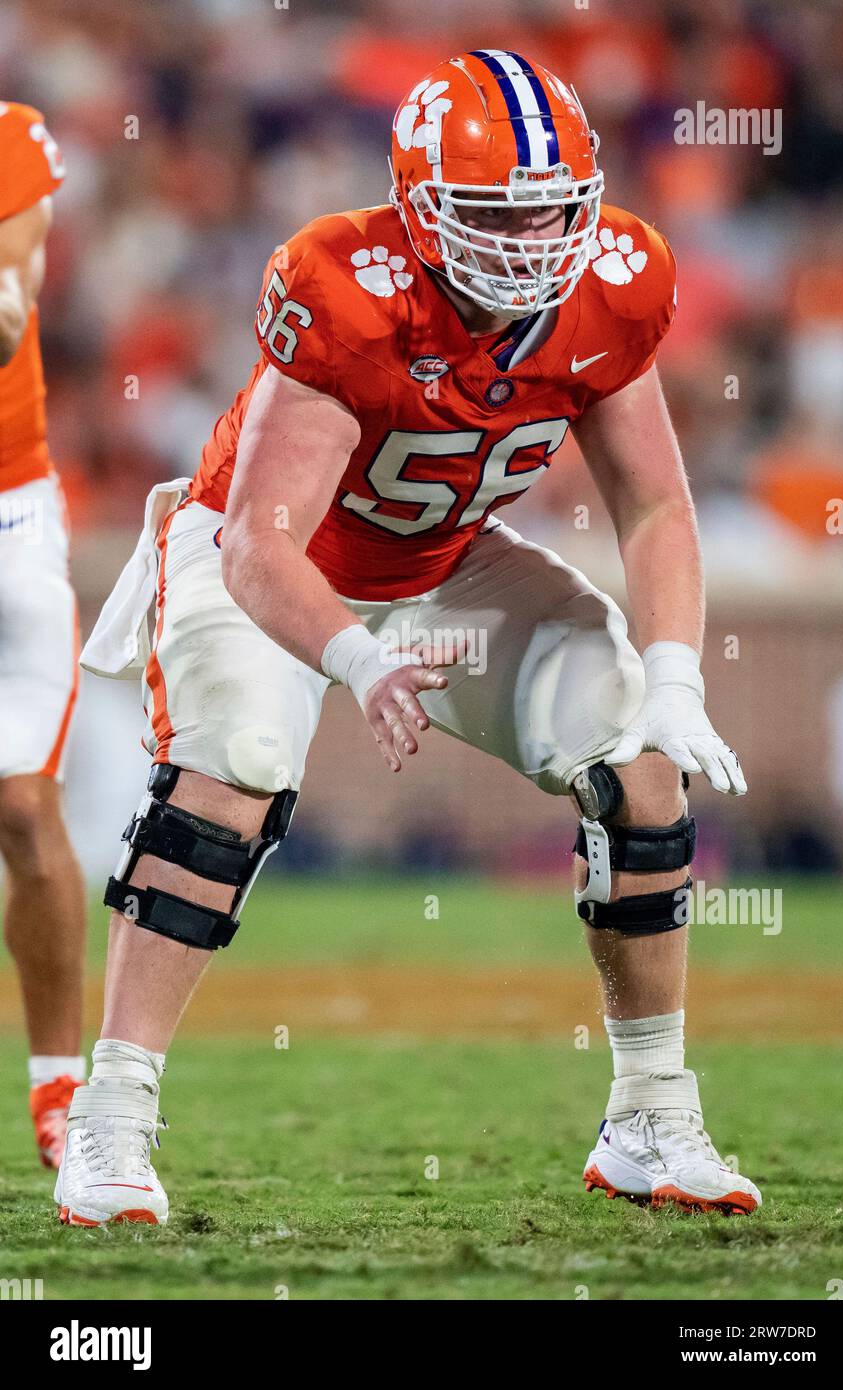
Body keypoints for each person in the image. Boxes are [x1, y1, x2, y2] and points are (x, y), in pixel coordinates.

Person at [62, 50, 759, 1226]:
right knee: (233, 766)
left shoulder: (616, 280)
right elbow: (260, 545)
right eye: (499, 213)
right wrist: (357, 656)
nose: (533, 239)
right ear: (421, 206)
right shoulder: (349, 285)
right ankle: (112, 1116)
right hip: (263, 561)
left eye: (553, 208)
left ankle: (649, 1113)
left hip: (443, 567)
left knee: (642, 757)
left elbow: (653, 506)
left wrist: (677, 677)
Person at [0, 101, 86, 1167]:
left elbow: (8, 311)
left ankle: (58, 1088)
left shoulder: (13, 138)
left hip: (9, 503)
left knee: (22, 804)